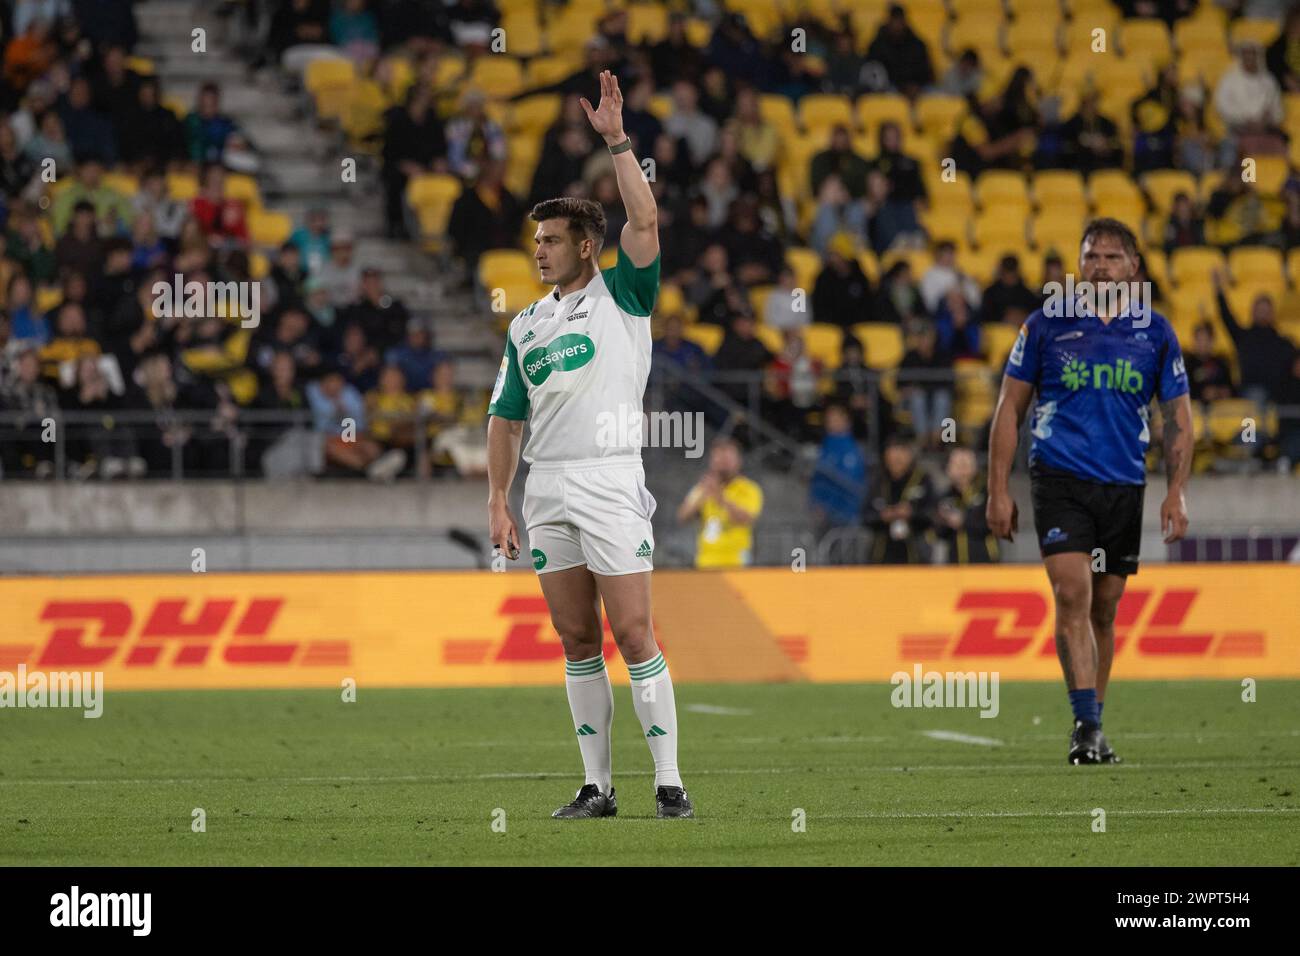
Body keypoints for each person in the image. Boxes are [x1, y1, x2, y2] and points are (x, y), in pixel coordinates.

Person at [485, 71, 691, 821]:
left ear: (587, 244)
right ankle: (597, 787)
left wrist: (617, 141)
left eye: (550, 240)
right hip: (546, 487)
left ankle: (668, 781)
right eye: (534, 241)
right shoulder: (526, 325)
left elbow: (647, 218)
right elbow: (505, 419)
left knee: (633, 631)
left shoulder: (624, 295)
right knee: (576, 636)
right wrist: (498, 500)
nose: (539, 251)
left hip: (608, 479)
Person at [985, 218, 1193, 765]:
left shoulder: (1156, 332)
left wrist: (1177, 493)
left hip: (1123, 484)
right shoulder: (1046, 325)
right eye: (1091, 257)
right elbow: (1010, 408)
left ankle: (1094, 726)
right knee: (1072, 592)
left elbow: (1179, 419)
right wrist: (996, 491)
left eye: (1111, 258)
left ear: (1134, 269)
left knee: (1105, 607)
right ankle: (1086, 725)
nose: (1100, 266)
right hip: (1059, 478)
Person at [676, 436, 763, 568]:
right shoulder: (703, 487)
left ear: (738, 461)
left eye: (727, 459)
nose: (723, 463)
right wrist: (702, 494)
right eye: (718, 458)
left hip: (736, 562)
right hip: (705, 562)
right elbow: (682, 516)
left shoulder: (749, 489)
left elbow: (746, 518)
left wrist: (720, 498)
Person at [863, 432, 935, 564]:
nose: (897, 459)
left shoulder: (922, 480)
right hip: (881, 558)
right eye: (893, 454)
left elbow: (932, 514)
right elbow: (865, 516)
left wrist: (911, 514)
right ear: (885, 456)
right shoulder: (878, 482)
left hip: (916, 557)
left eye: (901, 453)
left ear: (909, 455)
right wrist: (883, 516)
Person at [933, 447, 998, 564]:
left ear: (975, 467)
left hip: (985, 564)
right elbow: (939, 534)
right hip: (955, 565)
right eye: (958, 465)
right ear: (948, 469)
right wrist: (942, 521)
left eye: (966, 464)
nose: (962, 470)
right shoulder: (945, 497)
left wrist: (963, 522)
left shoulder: (988, 492)